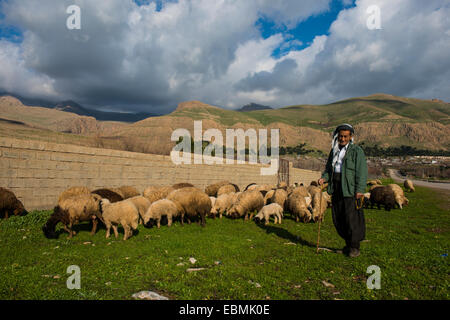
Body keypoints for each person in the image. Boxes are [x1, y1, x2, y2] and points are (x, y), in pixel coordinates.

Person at [318, 124, 368, 258]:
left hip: (350, 189)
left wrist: (360, 189)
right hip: (336, 187)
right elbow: (329, 169)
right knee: (339, 216)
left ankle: (354, 247)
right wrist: (324, 178)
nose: (343, 138)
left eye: (346, 136)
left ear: (350, 137)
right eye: (340, 136)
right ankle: (347, 245)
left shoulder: (356, 151)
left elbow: (362, 171)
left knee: (351, 218)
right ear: (337, 136)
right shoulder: (334, 151)